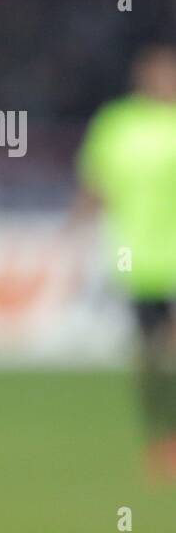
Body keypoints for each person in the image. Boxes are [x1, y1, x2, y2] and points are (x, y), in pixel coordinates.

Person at [73, 43, 176, 481]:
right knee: (152, 359)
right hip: (139, 264)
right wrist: (70, 238)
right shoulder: (117, 124)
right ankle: (161, 440)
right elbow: (95, 186)